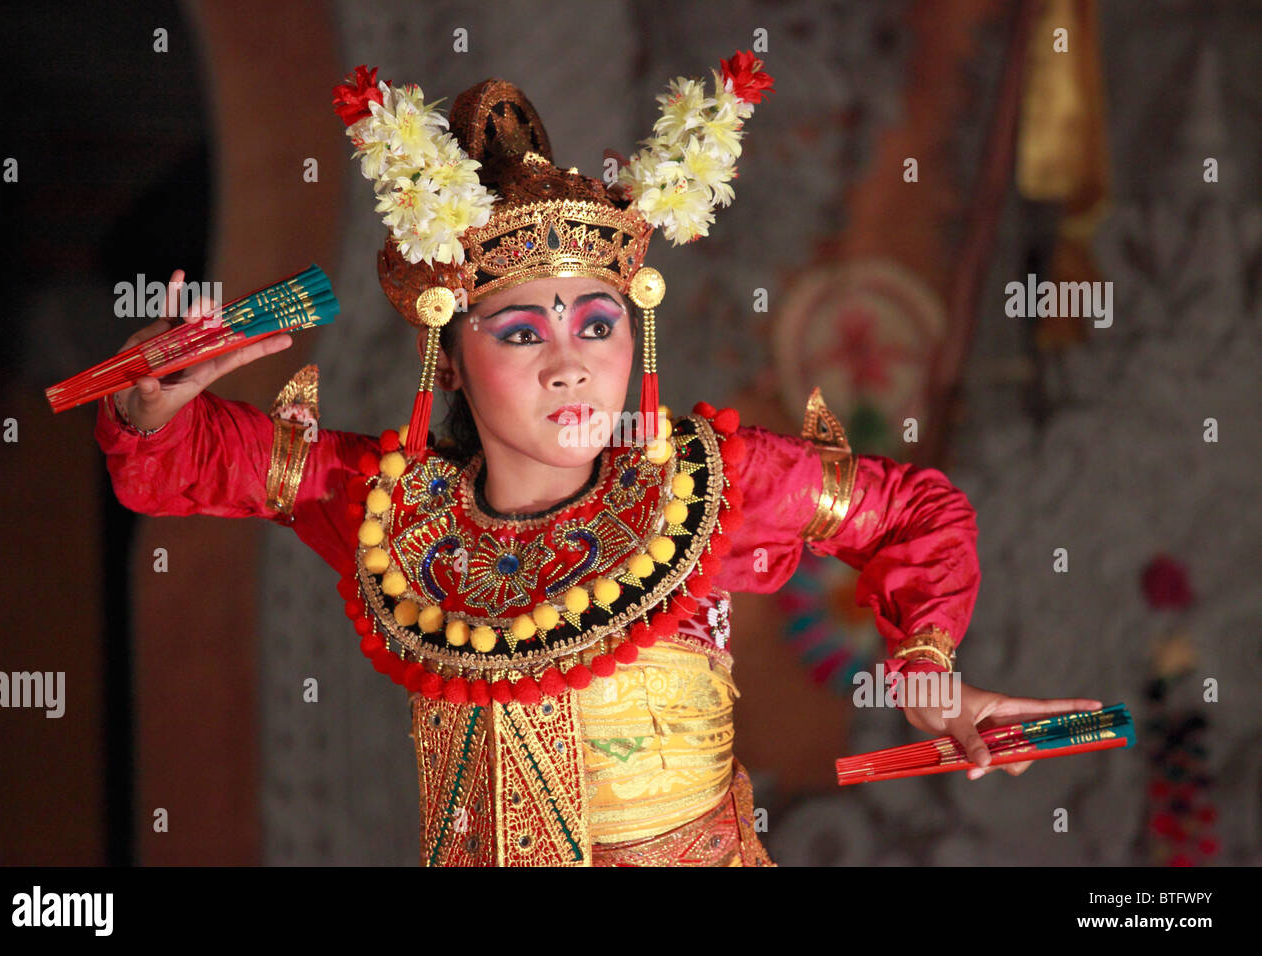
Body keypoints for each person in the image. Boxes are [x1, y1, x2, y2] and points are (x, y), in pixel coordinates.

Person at [97, 53, 1101, 866]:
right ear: (452, 356)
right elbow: (182, 459)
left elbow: (912, 513)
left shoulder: (706, 484)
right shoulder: (390, 510)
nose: (572, 366)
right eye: (524, 334)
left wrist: (926, 670)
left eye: (597, 321)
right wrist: (151, 398)